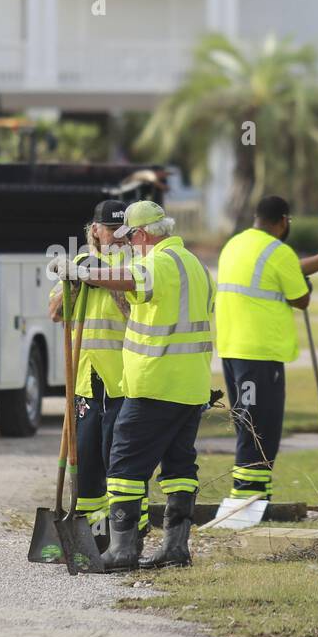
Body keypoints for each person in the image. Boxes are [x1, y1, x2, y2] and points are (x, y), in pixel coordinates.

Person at [53, 200, 214, 572]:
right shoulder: (196, 265)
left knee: (124, 464)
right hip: (191, 386)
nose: (129, 246)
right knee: (179, 464)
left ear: (141, 234)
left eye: (131, 239)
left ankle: (122, 550)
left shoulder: (157, 263)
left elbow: (130, 279)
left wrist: (84, 273)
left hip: (155, 384)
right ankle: (176, 548)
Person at [215, 195, 318, 505]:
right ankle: (248, 497)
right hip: (260, 353)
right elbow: (300, 298)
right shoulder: (278, 251)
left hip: (231, 348)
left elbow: (284, 269)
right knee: (261, 424)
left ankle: (253, 494)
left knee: (246, 421)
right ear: (283, 221)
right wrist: (308, 284)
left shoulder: (236, 244)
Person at [48, 200, 131, 548]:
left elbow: (132, 309)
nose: (116, 238)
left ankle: (127, 533)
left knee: (120, 458)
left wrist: (102, 278)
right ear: (95, 229)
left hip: (123, 377)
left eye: (123, 232)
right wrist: (76, 281)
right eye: (110, 230)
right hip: (85, 376)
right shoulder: (79, 261)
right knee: (84, 457)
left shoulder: (134, 264)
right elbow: (55, 313)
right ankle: (90, 535)